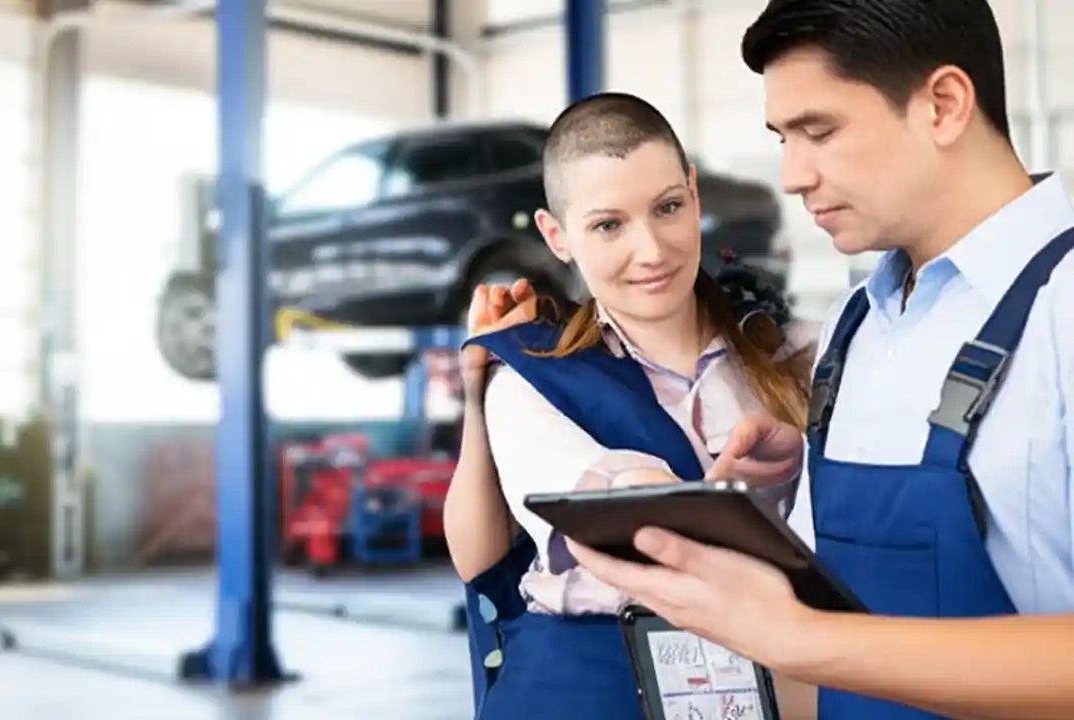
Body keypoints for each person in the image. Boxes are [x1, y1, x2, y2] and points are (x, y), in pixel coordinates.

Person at [564, 2, 1074, 719]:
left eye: (819, 132)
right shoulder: (853, 329)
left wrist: (803, 639)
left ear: (945, 105)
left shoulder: (1063, 309)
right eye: (781, 138)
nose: (792, 175)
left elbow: (808, 637)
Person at [442, 91, 818, 720]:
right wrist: (716, 507)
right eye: (608, 225)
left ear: (695, 194)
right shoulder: (534, 379)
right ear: (556, 236)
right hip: (576, 686)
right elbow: (620, 509)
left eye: (668, 208)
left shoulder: (799, 358)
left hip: (757, 683)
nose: (652, 250)